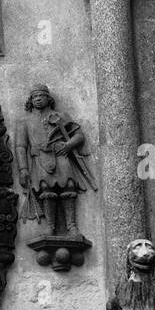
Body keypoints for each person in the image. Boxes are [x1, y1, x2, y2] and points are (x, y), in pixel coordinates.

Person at [15, 84, 96, 236]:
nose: (38, 99)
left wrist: (68, 145)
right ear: (30, 101)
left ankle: (71, 226)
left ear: (48, 98)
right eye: (34, 97)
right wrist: (23, 169)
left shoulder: (61, 116)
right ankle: (50, 226)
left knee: (69, 186)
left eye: (41, 96)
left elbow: (79, 135)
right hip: (40, 158)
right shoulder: (24, 121)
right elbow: (20, 146)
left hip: (61, 155)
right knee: (46, 188)